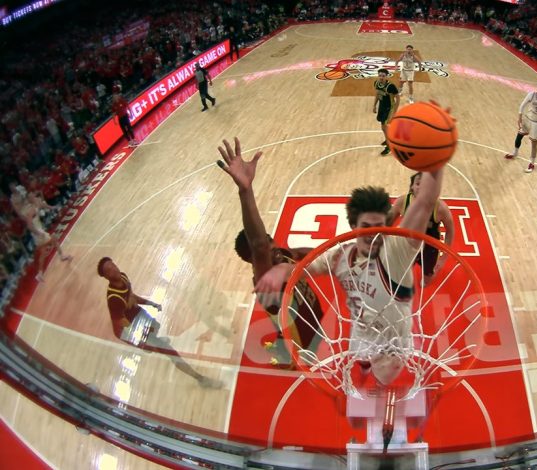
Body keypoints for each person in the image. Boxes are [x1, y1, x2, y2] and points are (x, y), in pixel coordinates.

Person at [221, 124, 447, 388]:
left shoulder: (398, 247)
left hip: (394, 340)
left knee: (382, 382)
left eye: (379, 225)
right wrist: (284, 270)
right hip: (360, 331)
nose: (374, 234)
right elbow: (284, 255)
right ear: (352, 228)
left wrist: (436, 157)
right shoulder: (342, 256)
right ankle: (362, 363)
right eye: (366, 228)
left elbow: (424, 203)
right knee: (361, 359)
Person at [217, 139, 325, 367]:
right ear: (253, 260)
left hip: (315, 321)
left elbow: (304, 252)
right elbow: (258, 244)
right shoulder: (266, 283)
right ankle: (283, 353)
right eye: (266, 248)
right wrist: (245, 191)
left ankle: (280, 339)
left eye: (270, 240)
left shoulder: (281, 253)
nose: (272, 246)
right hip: (304, 346)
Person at [97, 257, 222, 388]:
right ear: (106, 277)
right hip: (130, 328)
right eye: (109, 270)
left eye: (113, 265)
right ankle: (200, 379)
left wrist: (151, 303)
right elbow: (120, 327)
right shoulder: (114, 299)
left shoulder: (123, 277)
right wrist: (139, 342)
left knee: (156, 327)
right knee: (170, 353)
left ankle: (154, 343)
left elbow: (132, 297)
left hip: (137, 315)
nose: (114, 269)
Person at [388, 172, 454, 285]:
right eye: (418, 183)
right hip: (407, 245)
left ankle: (426, 279)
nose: (422, 188)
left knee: (427, 277)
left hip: (430, 248)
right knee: (402, 272)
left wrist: (443, 258)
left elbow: (450, 231)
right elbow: (387, 225)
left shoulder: (441, 208)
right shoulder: (402, 202)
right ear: (412, 187)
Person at [10, 184, 72, 282]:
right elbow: (30, 226)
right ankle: (61, 256)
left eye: (33, 196)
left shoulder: (36, 204)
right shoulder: (29, 210)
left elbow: (44, 205)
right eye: (32, 196)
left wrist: (54, 207)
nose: (34, 197)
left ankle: (40, 273)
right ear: (28, 199)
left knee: (43, 253)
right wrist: (38, 233)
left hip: (39, 230)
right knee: (54, 238)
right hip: (37, 233)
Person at [373, 68, 400, 156]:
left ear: (386, 76)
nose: (381, 77)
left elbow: (398, 98)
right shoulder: (376, 83)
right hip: (382, 107)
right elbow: (377, 94)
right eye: (380, 75)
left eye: (383, 76)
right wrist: (374, 105)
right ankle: (387, 138)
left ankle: (389, 146)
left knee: (384, 127)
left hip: (389, 108)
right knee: (383, 127)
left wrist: (395, 111)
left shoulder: (391, 86)